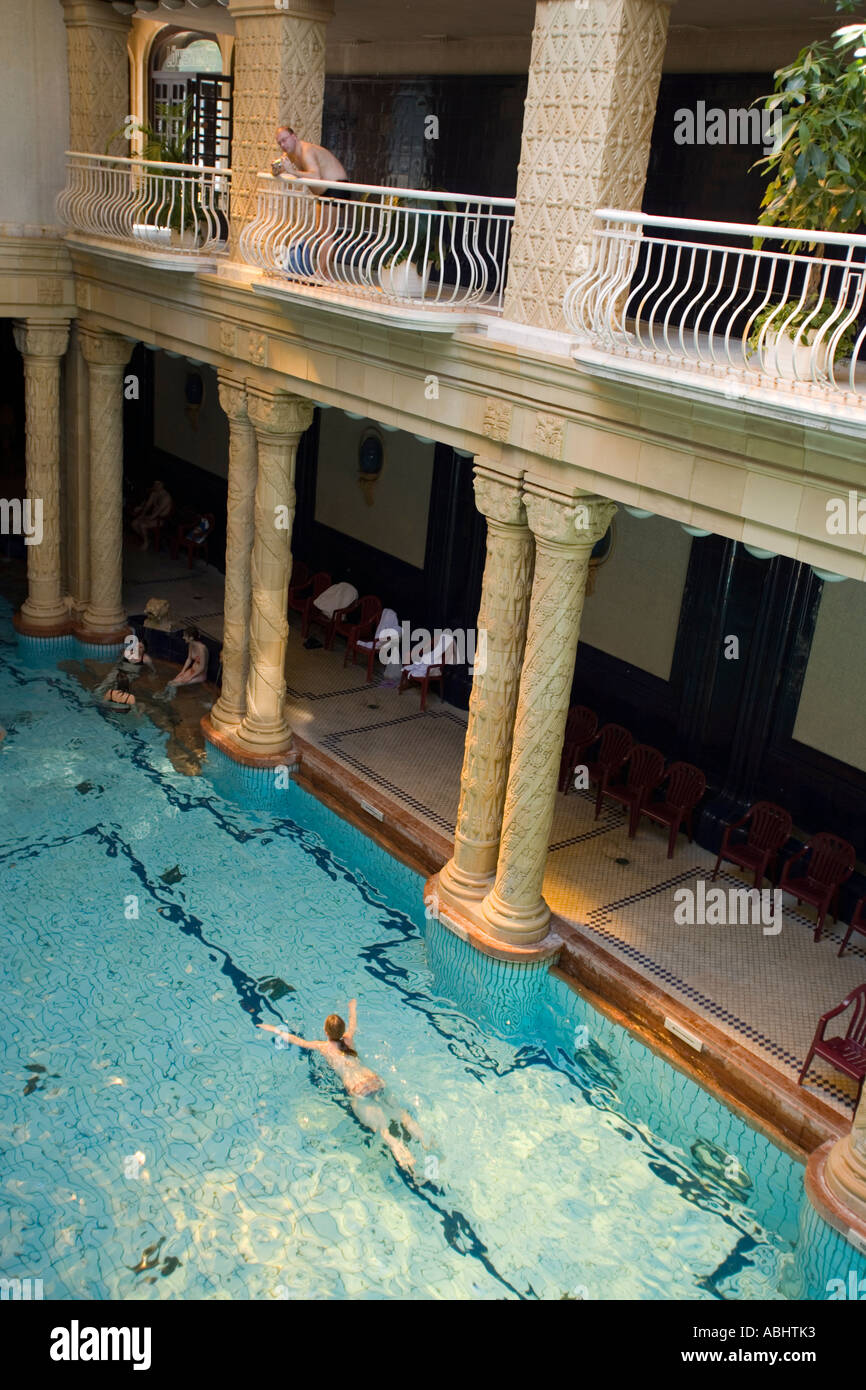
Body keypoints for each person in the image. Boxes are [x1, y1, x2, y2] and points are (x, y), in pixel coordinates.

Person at [258, 999, 425, 1172]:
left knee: (383, 1128)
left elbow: (296, 1040)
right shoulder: (349, 1039)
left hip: (358, 1089)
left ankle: (403, 1154)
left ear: (325, 1031)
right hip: (374, 1080)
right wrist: (352, 1007)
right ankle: (425, 1139)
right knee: (402, 1114)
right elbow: (353, 1022)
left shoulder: (322, 1047)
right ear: (342, 1030)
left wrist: (272, 1028)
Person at [271, 126, 347, 188]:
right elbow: (277, 171)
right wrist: (275, 169)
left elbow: (316, 176)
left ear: (294, 137)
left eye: (284, 140)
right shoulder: (289, 154)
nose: (282, 145)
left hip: (337, 186)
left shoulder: (306, 151)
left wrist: (293, 172)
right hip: (326, 190)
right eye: (279, 143)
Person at [160, 626, 208, 697]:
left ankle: (169, 699)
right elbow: (189, 659)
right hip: (192, 670)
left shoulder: (202, 649)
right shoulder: (191, 644)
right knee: (170, 682)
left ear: (191, 638)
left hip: (200, 675)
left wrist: (190, 677)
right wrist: (182, 672)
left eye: (185, 636)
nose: (183, 637)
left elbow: (202, 667)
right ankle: (164, 694)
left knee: (174, 684)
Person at [131, 481, 172, 552]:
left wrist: (145, 518)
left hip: (162, 520)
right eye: (155, 483)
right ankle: (147, 539)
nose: (155, 485)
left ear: (162, 485)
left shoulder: (166, 497)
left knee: (142, 525)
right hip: (153, 517)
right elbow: (147, 506)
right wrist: (142, 515)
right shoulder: (154, 493)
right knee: (134, 523)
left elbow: (157, 512)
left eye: (158, 484)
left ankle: (146, 542)